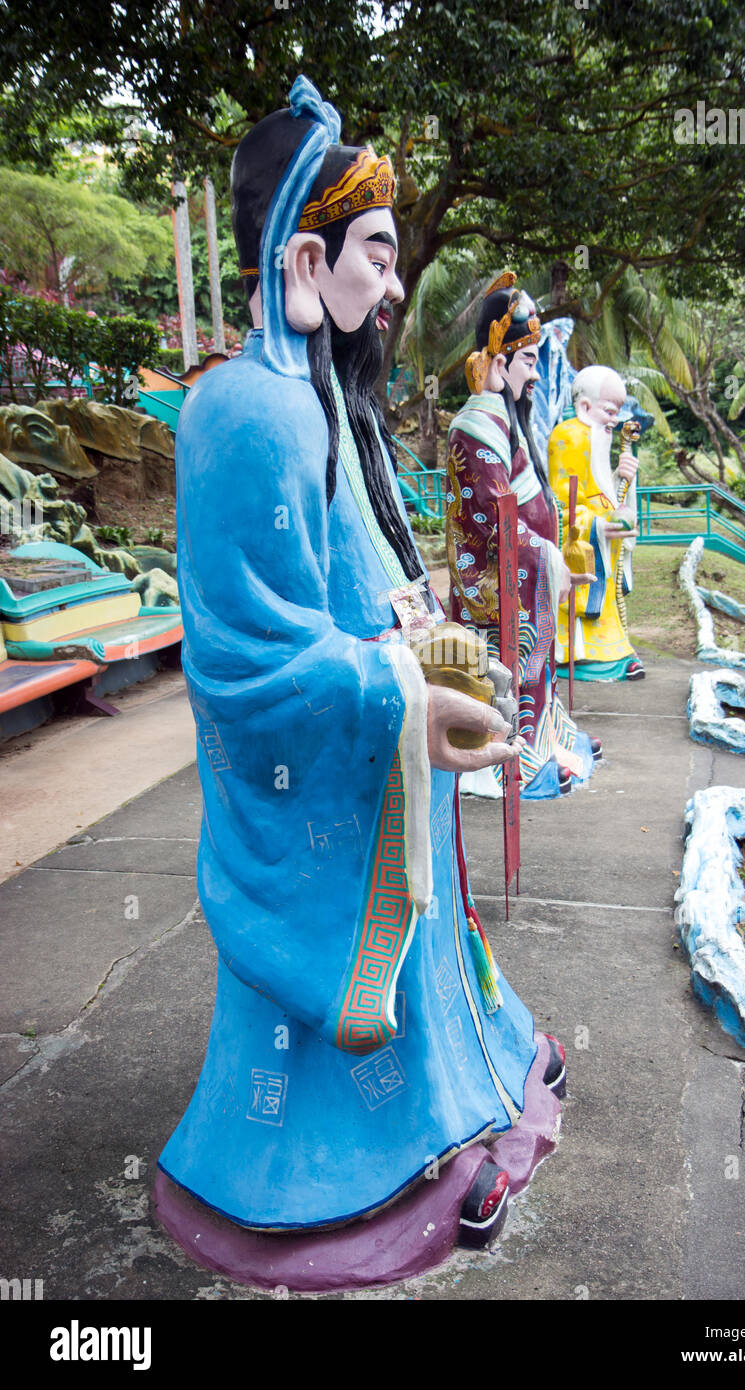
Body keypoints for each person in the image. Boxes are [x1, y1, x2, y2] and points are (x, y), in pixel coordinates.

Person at [155, 79, 563, 1289]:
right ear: (302, 256)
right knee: (341, 1015)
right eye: (376, 256)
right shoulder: (239, 410)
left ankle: (459, 1107)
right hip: (335, 766)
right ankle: (345, 1170)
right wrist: (393, 694)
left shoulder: (331, 397)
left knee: (444, 943)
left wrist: (437, 645)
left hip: (397, 743)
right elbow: (240, 654)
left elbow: (370, 570)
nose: (393, 288)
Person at [446, 275, 600, 799]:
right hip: (491, 580)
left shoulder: (507, 422)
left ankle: (542, 736)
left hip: (522, 573)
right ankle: (507, 755)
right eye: (528, 361)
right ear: (496, 358)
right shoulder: (475, 427)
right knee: (506, 672)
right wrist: (545, 556)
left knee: (536, 664)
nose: (535, 375)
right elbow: (491, 518)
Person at [548, 364, 645, 681]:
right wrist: (596, 527)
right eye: (608, 411)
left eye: (617, 412)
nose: (614, 421)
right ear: (585, 407)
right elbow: (562, 502)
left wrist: (623, 477)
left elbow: (602, 490)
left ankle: (615, 653)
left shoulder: (599, 439)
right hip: (586, 541)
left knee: (608, 610)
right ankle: (579, 656)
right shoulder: (570, 436)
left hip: (606, 541)